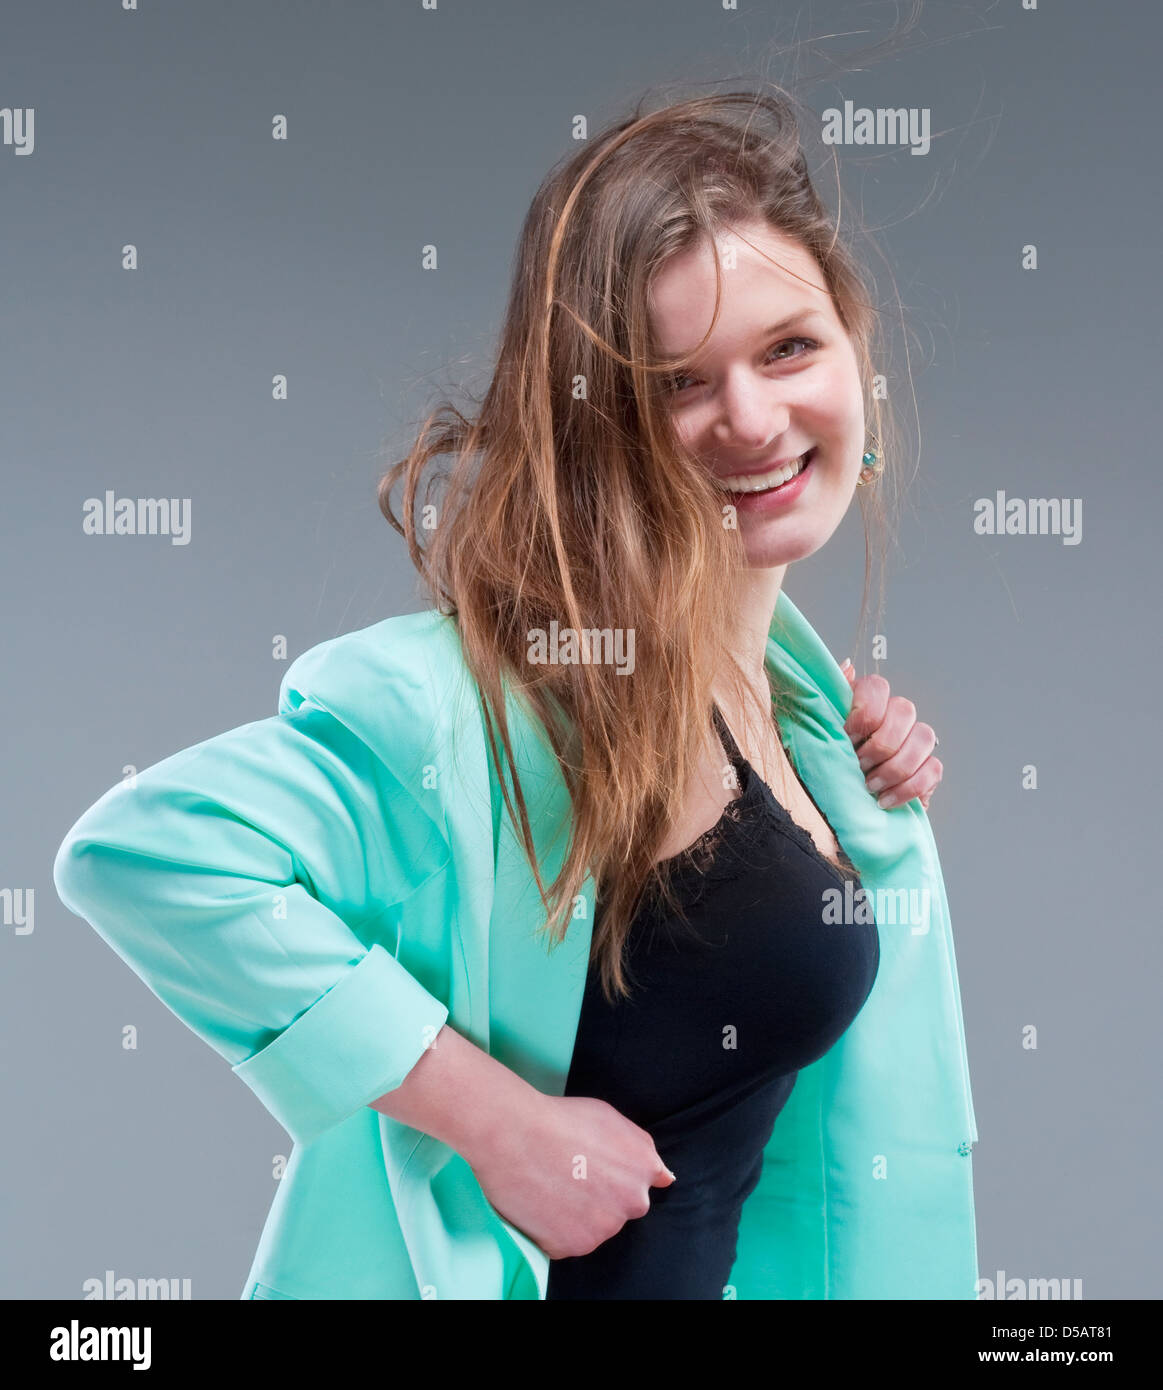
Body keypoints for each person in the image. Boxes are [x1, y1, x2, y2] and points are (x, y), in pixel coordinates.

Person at [52, 89, 978, 1301]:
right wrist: (494, 1121)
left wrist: (859, 811)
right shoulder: (498, 698)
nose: (750, 418)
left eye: (787, 347)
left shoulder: (792, 705)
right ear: (604, 428)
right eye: (677, 382)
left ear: (854, 348)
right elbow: (139, 852)